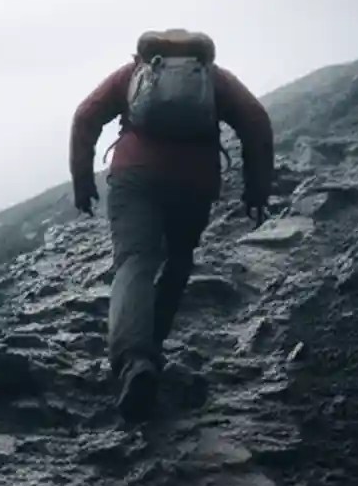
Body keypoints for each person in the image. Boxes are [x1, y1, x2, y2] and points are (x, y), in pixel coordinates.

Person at [68, 28, 275, 422]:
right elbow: (255, 122)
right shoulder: (214, 78)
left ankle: (134, 360)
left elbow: (85, 116)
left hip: (135, 177)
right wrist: (257, 190)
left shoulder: (132, 74)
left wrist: (82, 181)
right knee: (178, 263)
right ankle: (150, 349)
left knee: (134, 262)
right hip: (194, 182)